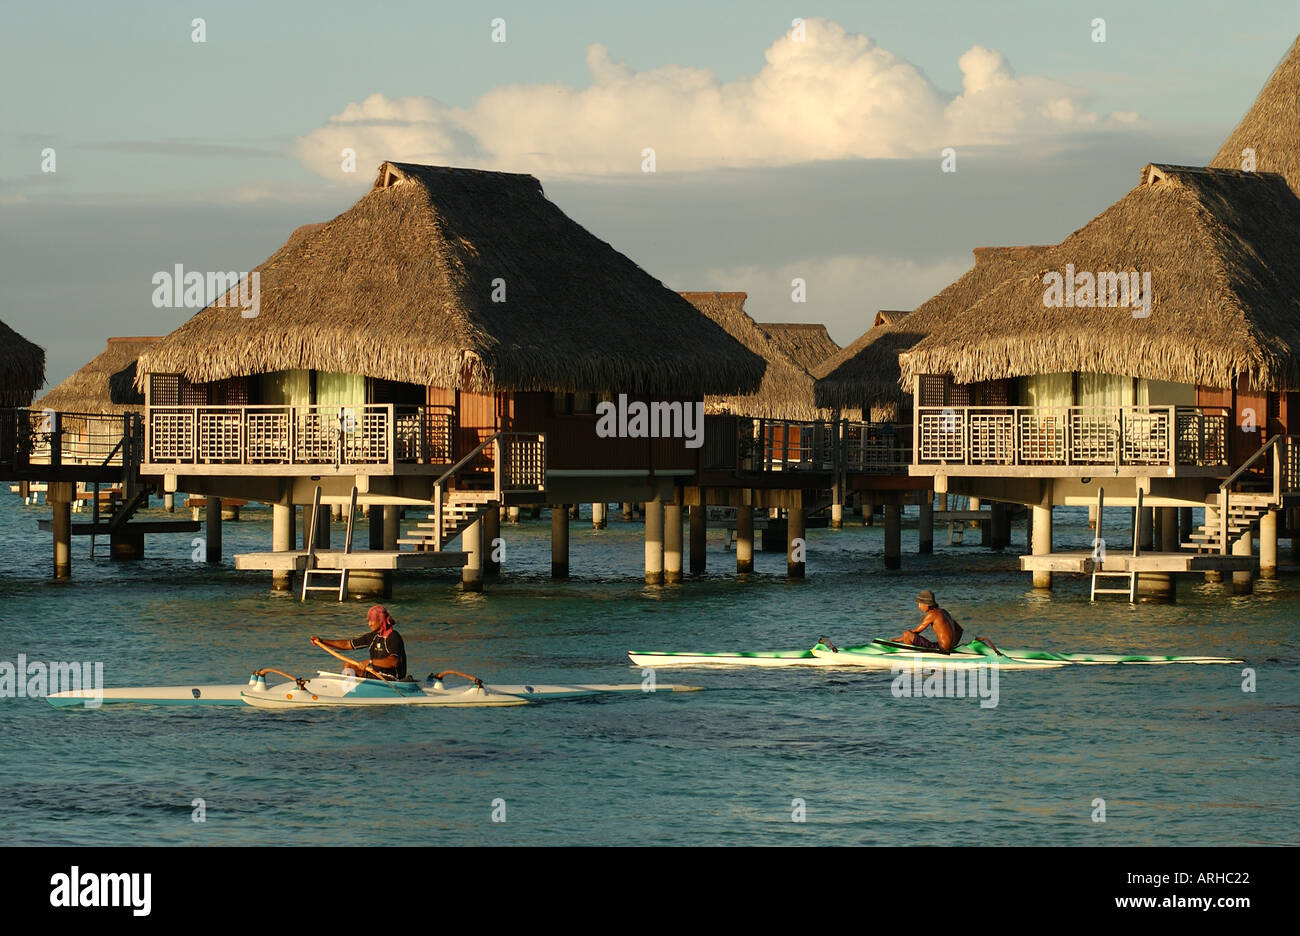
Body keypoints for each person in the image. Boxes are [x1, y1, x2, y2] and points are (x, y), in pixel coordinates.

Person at [312, 605, 407, 679]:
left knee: (350, 665)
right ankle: (347, 690)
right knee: (348, 664)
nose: (369, 624)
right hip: (376, 675)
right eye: (369, 620)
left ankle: (348, 693)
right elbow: (346, 644)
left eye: (372, 621)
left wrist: (370, 661)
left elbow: (393, 662)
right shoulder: (372, 636)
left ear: (381, 621)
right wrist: (322, 641)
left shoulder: (394, 636)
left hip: (392, 679)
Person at [895, 590, 963, 652]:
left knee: (907, 634)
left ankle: (911, 655)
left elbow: (916, 631)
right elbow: (960, 630)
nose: (919, 606)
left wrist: (896, 640)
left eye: (920, 604)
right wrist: (952, 646)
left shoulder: (932, 615)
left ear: (927, 604)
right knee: (908, 635)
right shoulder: (944, 612)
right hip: (947, 647)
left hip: (941, 649)